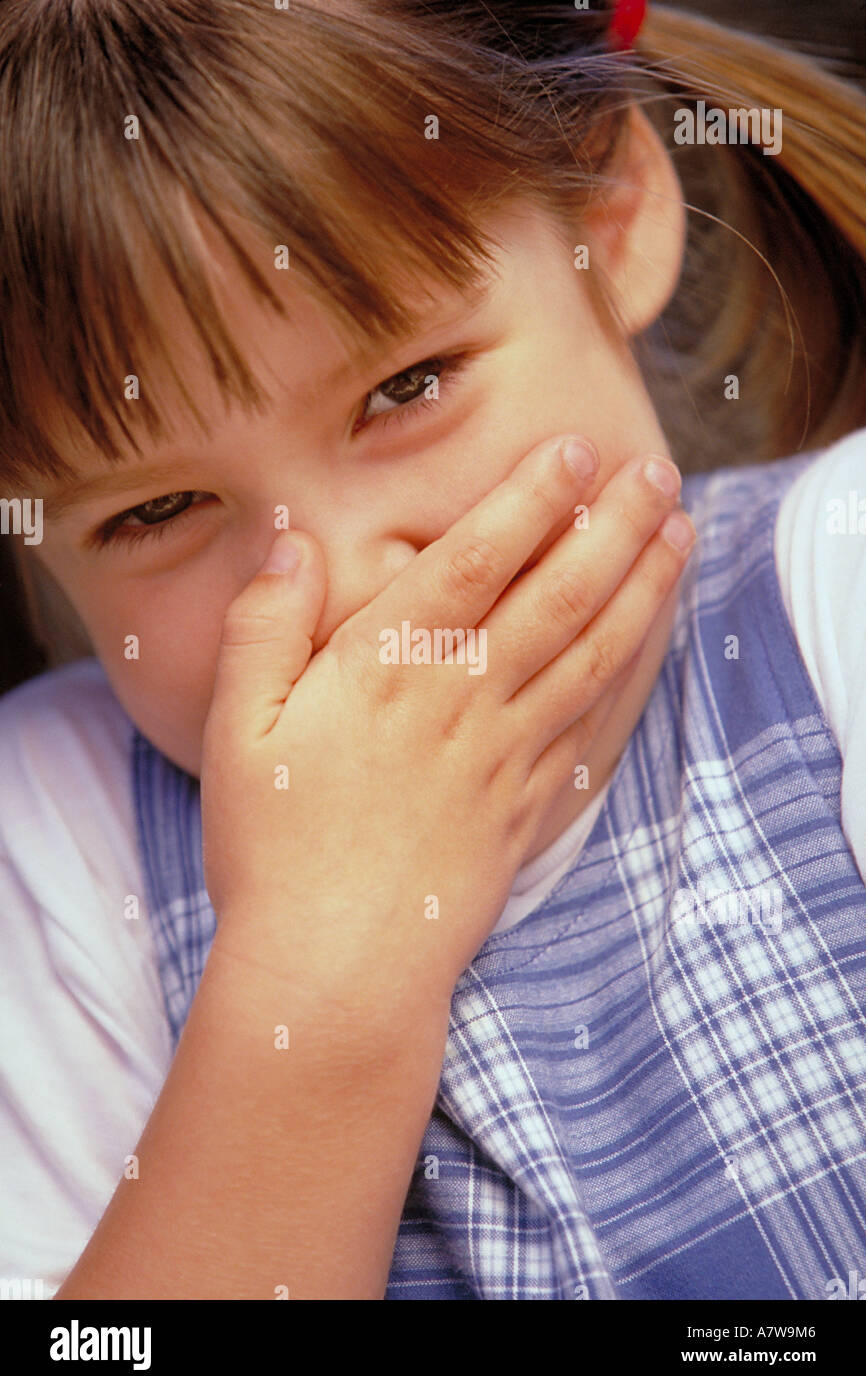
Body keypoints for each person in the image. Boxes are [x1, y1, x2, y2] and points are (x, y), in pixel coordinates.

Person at [1, 0, 865, 1300]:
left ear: (610, 219)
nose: (341, 582)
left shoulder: (834, 586)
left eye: (406, 387)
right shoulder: (53, 850)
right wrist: (322, 956)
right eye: (156, 510)